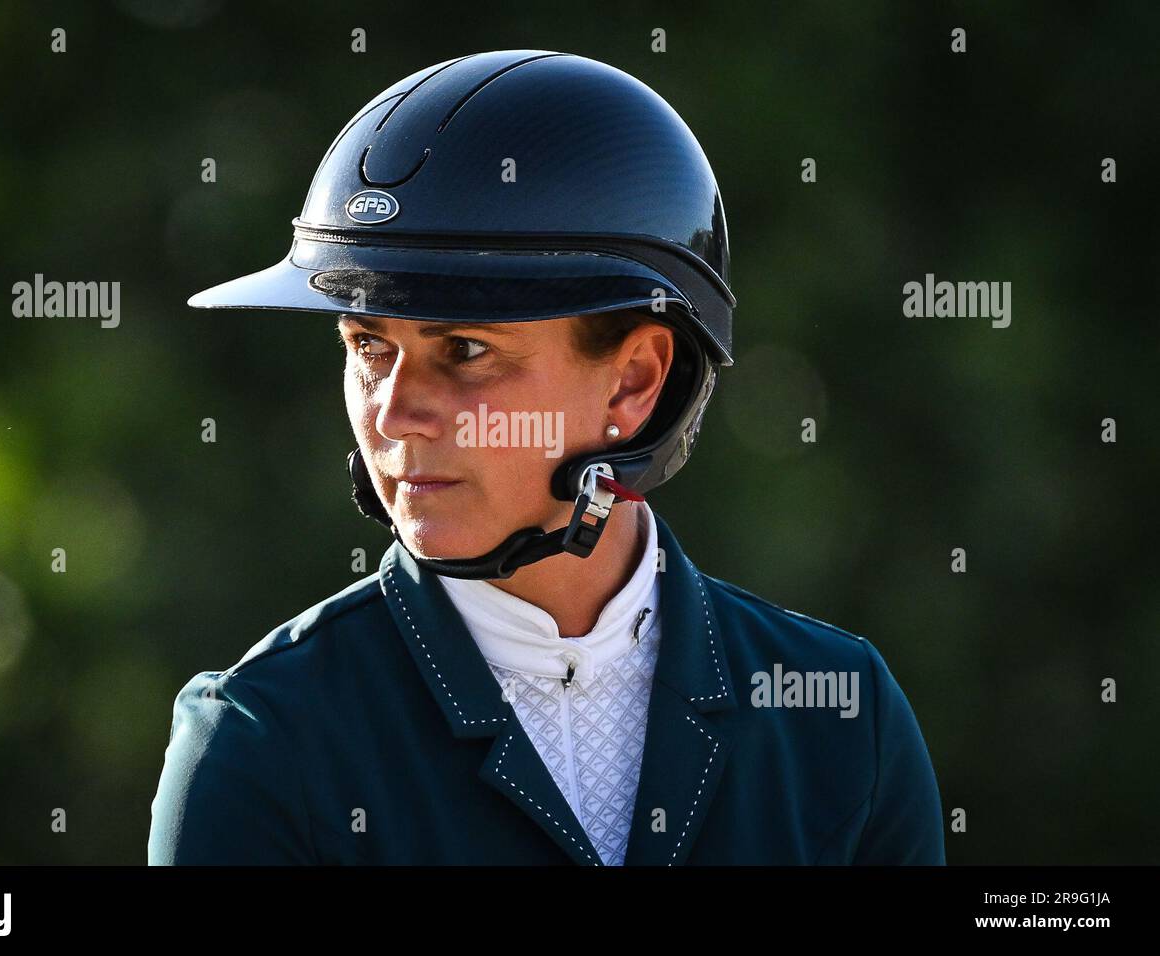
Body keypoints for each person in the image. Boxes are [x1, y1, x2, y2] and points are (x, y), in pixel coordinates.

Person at [148, 50, 945, 865]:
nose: (393, 415)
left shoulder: (843, 715)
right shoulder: (259, 741)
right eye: (368, 346)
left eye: (463, 349)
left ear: (634, 382)